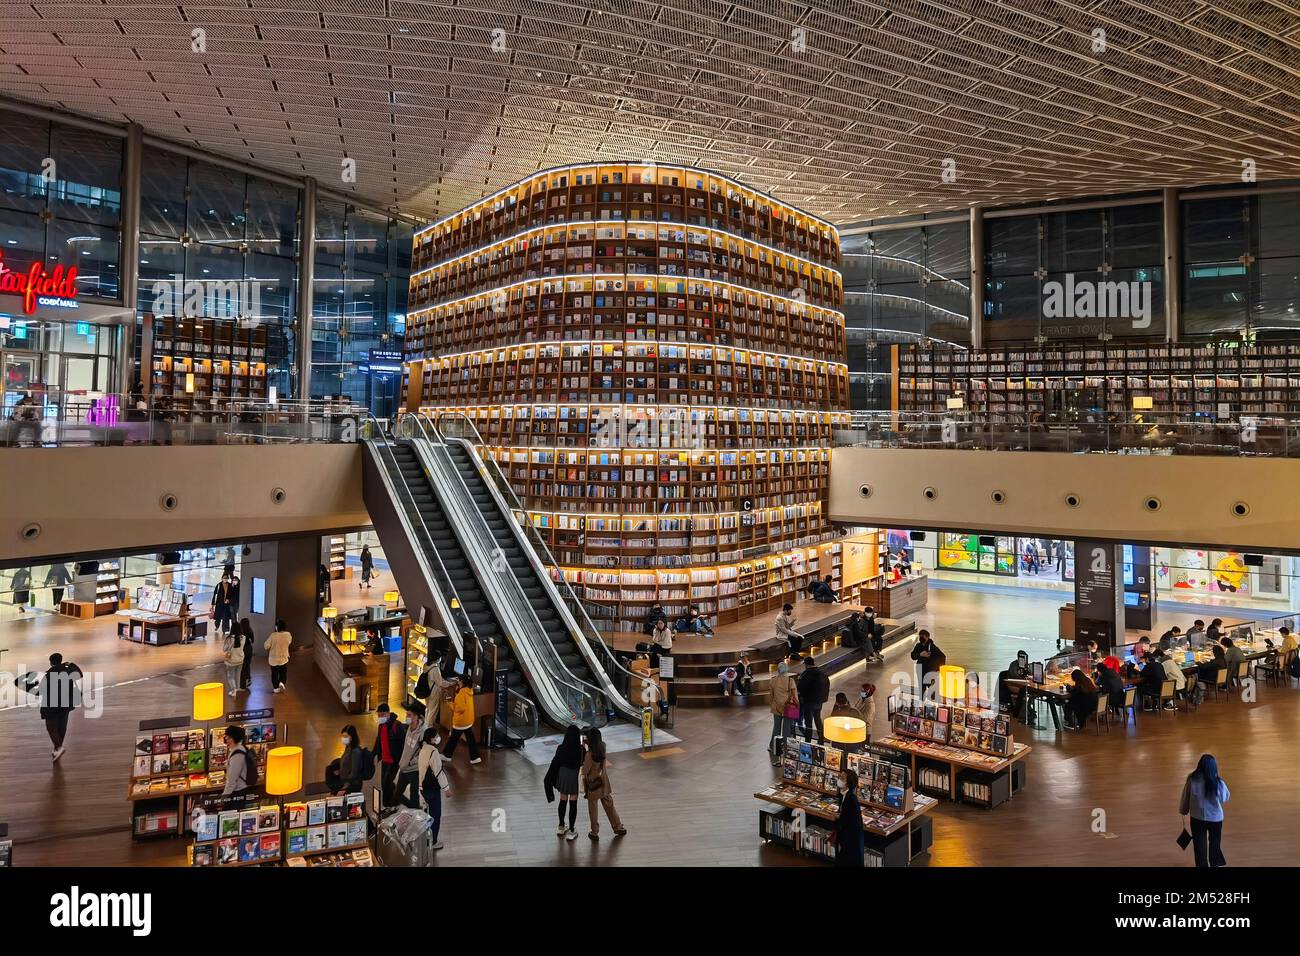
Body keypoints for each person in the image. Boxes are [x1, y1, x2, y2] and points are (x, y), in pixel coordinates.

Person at [23, 653, 82, 761]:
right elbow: (79, 674)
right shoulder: (68, 671)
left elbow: (39, 692)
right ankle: (57, 749)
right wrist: (71, 664)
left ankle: (59, 747)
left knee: (51, 727)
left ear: (51, 662)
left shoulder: (49, 675)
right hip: (66, 703)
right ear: (61, 660)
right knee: (62, 726)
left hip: (51, 705)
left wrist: (29, 685)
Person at [1179, 754, 1230, 868]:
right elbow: (1225, 798)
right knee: (1215, 843)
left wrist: (1183, 810)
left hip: (1197, 818)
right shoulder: (1218, 782)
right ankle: (1214, 864)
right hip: (1216, 819)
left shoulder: (1192, 780)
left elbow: (1185, 797)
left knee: (1199, 846)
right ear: (1214, 767)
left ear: (1199, 765)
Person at [582, 727, 626, 840]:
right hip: (603, 781)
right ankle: (618, 826)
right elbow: (598, 744)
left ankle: (594, 832)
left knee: (593, 807)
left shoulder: (589, 755)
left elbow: (585, 771)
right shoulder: (603, 747)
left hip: (593, 784)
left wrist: (584, 748)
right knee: (609, 804)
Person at [547, 725, 584, 841]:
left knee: (563, 800)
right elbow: (583, 763)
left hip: (562, 776)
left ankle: (561, 826)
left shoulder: (561, 748)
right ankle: (572, 830)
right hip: (573, 777)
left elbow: (556, 762)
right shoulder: (581, 749)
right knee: (573, 803)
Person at [417, 726, 450, 850]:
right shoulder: (433, 752)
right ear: (431, 738)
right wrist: (446, 789)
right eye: (436, 736)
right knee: (435, 815)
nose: (438, 738)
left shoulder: (423, 749)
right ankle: (433, 841)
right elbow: (438, 772)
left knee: (425, 815)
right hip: (432, 789)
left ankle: (424, 840)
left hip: (422, 788)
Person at [372, 702, 407, 806]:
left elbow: (403, 744)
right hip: (385, 760)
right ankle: (391, 803)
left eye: (382, 715)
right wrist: (373, 755)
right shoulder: (381, 726)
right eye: (379, 715)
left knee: (386, 783)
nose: (380, 717)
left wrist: (402, 761)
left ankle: (391, 804)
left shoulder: (397, 725)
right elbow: (379, 742)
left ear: (388, 713)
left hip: (394, 761)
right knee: (385, 784)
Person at [394, 701, 426, 809]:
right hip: (404, 768)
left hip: (414, 770)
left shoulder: (422, 732)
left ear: (416, 717)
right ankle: (415, 810)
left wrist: (411, 762)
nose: (407, 717)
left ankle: (417, 815)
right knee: (397, 794)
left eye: (409, 715)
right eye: (406, 714)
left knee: (414, 797)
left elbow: (424, 753)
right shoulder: (408, 727)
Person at [442, 678, 482, 764]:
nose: (457, 681)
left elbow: (459, 708)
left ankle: (447, 755)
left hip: (461, 721)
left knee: (453, 739)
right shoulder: (469, 691)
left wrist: (449, 703)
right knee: (470, 739)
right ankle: (475, 757)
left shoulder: (461, 694)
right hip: (468, 719)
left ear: (462, 682)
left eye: (459, 680)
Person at [768, 660, 799, 762]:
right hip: (788, 709)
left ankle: (773, 747)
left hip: (776, 708)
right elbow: (794, 696)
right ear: (786, 670)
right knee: (786, 729)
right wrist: (797, 705)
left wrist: (773, 704)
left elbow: (771, 696)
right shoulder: (790, 681)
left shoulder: (773, 681)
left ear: (778, 670)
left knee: (776, 728)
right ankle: (785, 749)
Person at [833, 768, 865, 867]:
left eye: (842, 778)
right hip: (847, 839)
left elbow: (849, 821)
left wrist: (838, 818)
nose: (839, 779)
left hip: (850, 841)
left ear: (848, 783)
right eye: (839, 777)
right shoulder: (844, 795)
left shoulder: (851, 799)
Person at [797, 655, 830, 740]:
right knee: (818, 719)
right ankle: (821, 737)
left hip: (809, 702)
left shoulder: (806, 674)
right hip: (819, 702)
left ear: (806, 665)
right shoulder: (822, 674)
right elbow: (827, 685)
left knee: (808, 722)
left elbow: (800, 687)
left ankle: (808, 740)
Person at [221, 725, 257, 795]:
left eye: (226, 735)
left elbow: (232, 779)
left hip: (237, 791)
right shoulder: (240, 748)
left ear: (231, 738)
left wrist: (224, 796)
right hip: (240, 789)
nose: (224, 737)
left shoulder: (237, 754)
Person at [910, 630, 946, 695]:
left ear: (927, 637)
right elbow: (913, 656)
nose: (921, 638)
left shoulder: (932, 647)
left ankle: (932, 702)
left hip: (930, 671)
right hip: (920, 669)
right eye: (920, 637)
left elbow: (942, 657)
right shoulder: (918, 645)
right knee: (922, 689)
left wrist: (937, 670)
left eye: (923, 637)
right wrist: (920, 654)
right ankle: (922, 702)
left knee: (932, 690)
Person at [210, 565, 239, 638]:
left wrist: (228, 599)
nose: (225, 579)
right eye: (224, 578)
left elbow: (231, 593)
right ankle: (217, 625)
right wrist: (213, 605)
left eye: (226, 578)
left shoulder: (230, 585)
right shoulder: (218, 585)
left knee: (225, 617)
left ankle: (226, 630)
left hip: (226, 604)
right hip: (219, 604)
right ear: (222, 578)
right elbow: (215, 595)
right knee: (218, 618)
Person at [263, 619, 292, 693]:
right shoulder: (288, 634)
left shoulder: (273, 635)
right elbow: (289, 642)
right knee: (283, 671)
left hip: (274, 658)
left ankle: (276, 688)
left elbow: (266, 646)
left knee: (274, 673)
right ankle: (282, 682)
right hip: (284, 657)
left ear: (277, 627)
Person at [335, 725, 366, 794]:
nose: (343, 738)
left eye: (345, 736)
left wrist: (344, 787)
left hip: (352, 786)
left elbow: (354, 773)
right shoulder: (348, 747)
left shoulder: (355, 752)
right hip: (345, 783)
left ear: (352, 737)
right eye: (342, 736)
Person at [222, 625, 245, 696]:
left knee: (230, 676)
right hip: (240, 659)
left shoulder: (229, 638)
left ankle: (233, 689)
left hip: (231, 660)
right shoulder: (243, 637)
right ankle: (236, 689)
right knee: (238, 675)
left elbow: (224, 649)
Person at [237, 617, 255, 690]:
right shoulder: (250, 631)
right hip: (249, 649)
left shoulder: (240, 632)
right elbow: (253, 641)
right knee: (247, 665)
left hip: (242, 650)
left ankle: (242, 686)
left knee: (242, 667)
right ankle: (248, 679)